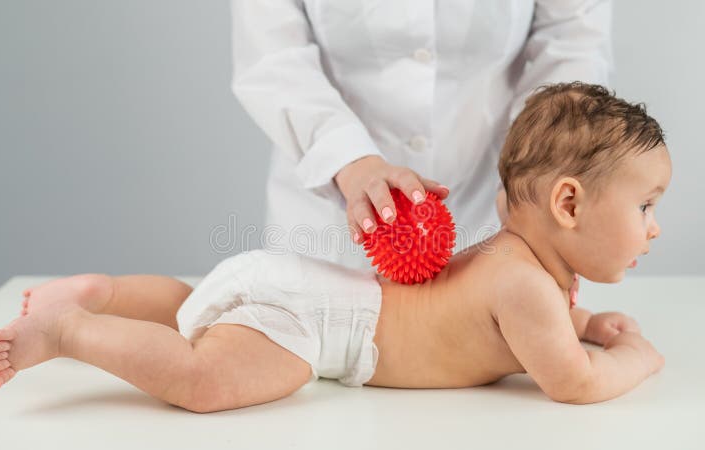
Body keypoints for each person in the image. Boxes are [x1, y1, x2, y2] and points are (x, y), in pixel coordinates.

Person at [0, 83, 668, 411]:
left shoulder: (512, 267)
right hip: (320, 326)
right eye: (645, 206)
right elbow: (572, 381)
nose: (654, 227)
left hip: (302, 285)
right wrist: (630, 356)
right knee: (204, 377)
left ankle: (104, 291)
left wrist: (584, 322)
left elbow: (519, 329)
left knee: (199, 308)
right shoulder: (522, 286)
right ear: (568, 203)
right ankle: (72, 330)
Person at [230, 0, 614, 274]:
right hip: (328, 226)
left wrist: (531, 166)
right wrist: (350, 161)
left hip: (491, 213)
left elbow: (573, 41)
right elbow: (273, 61)